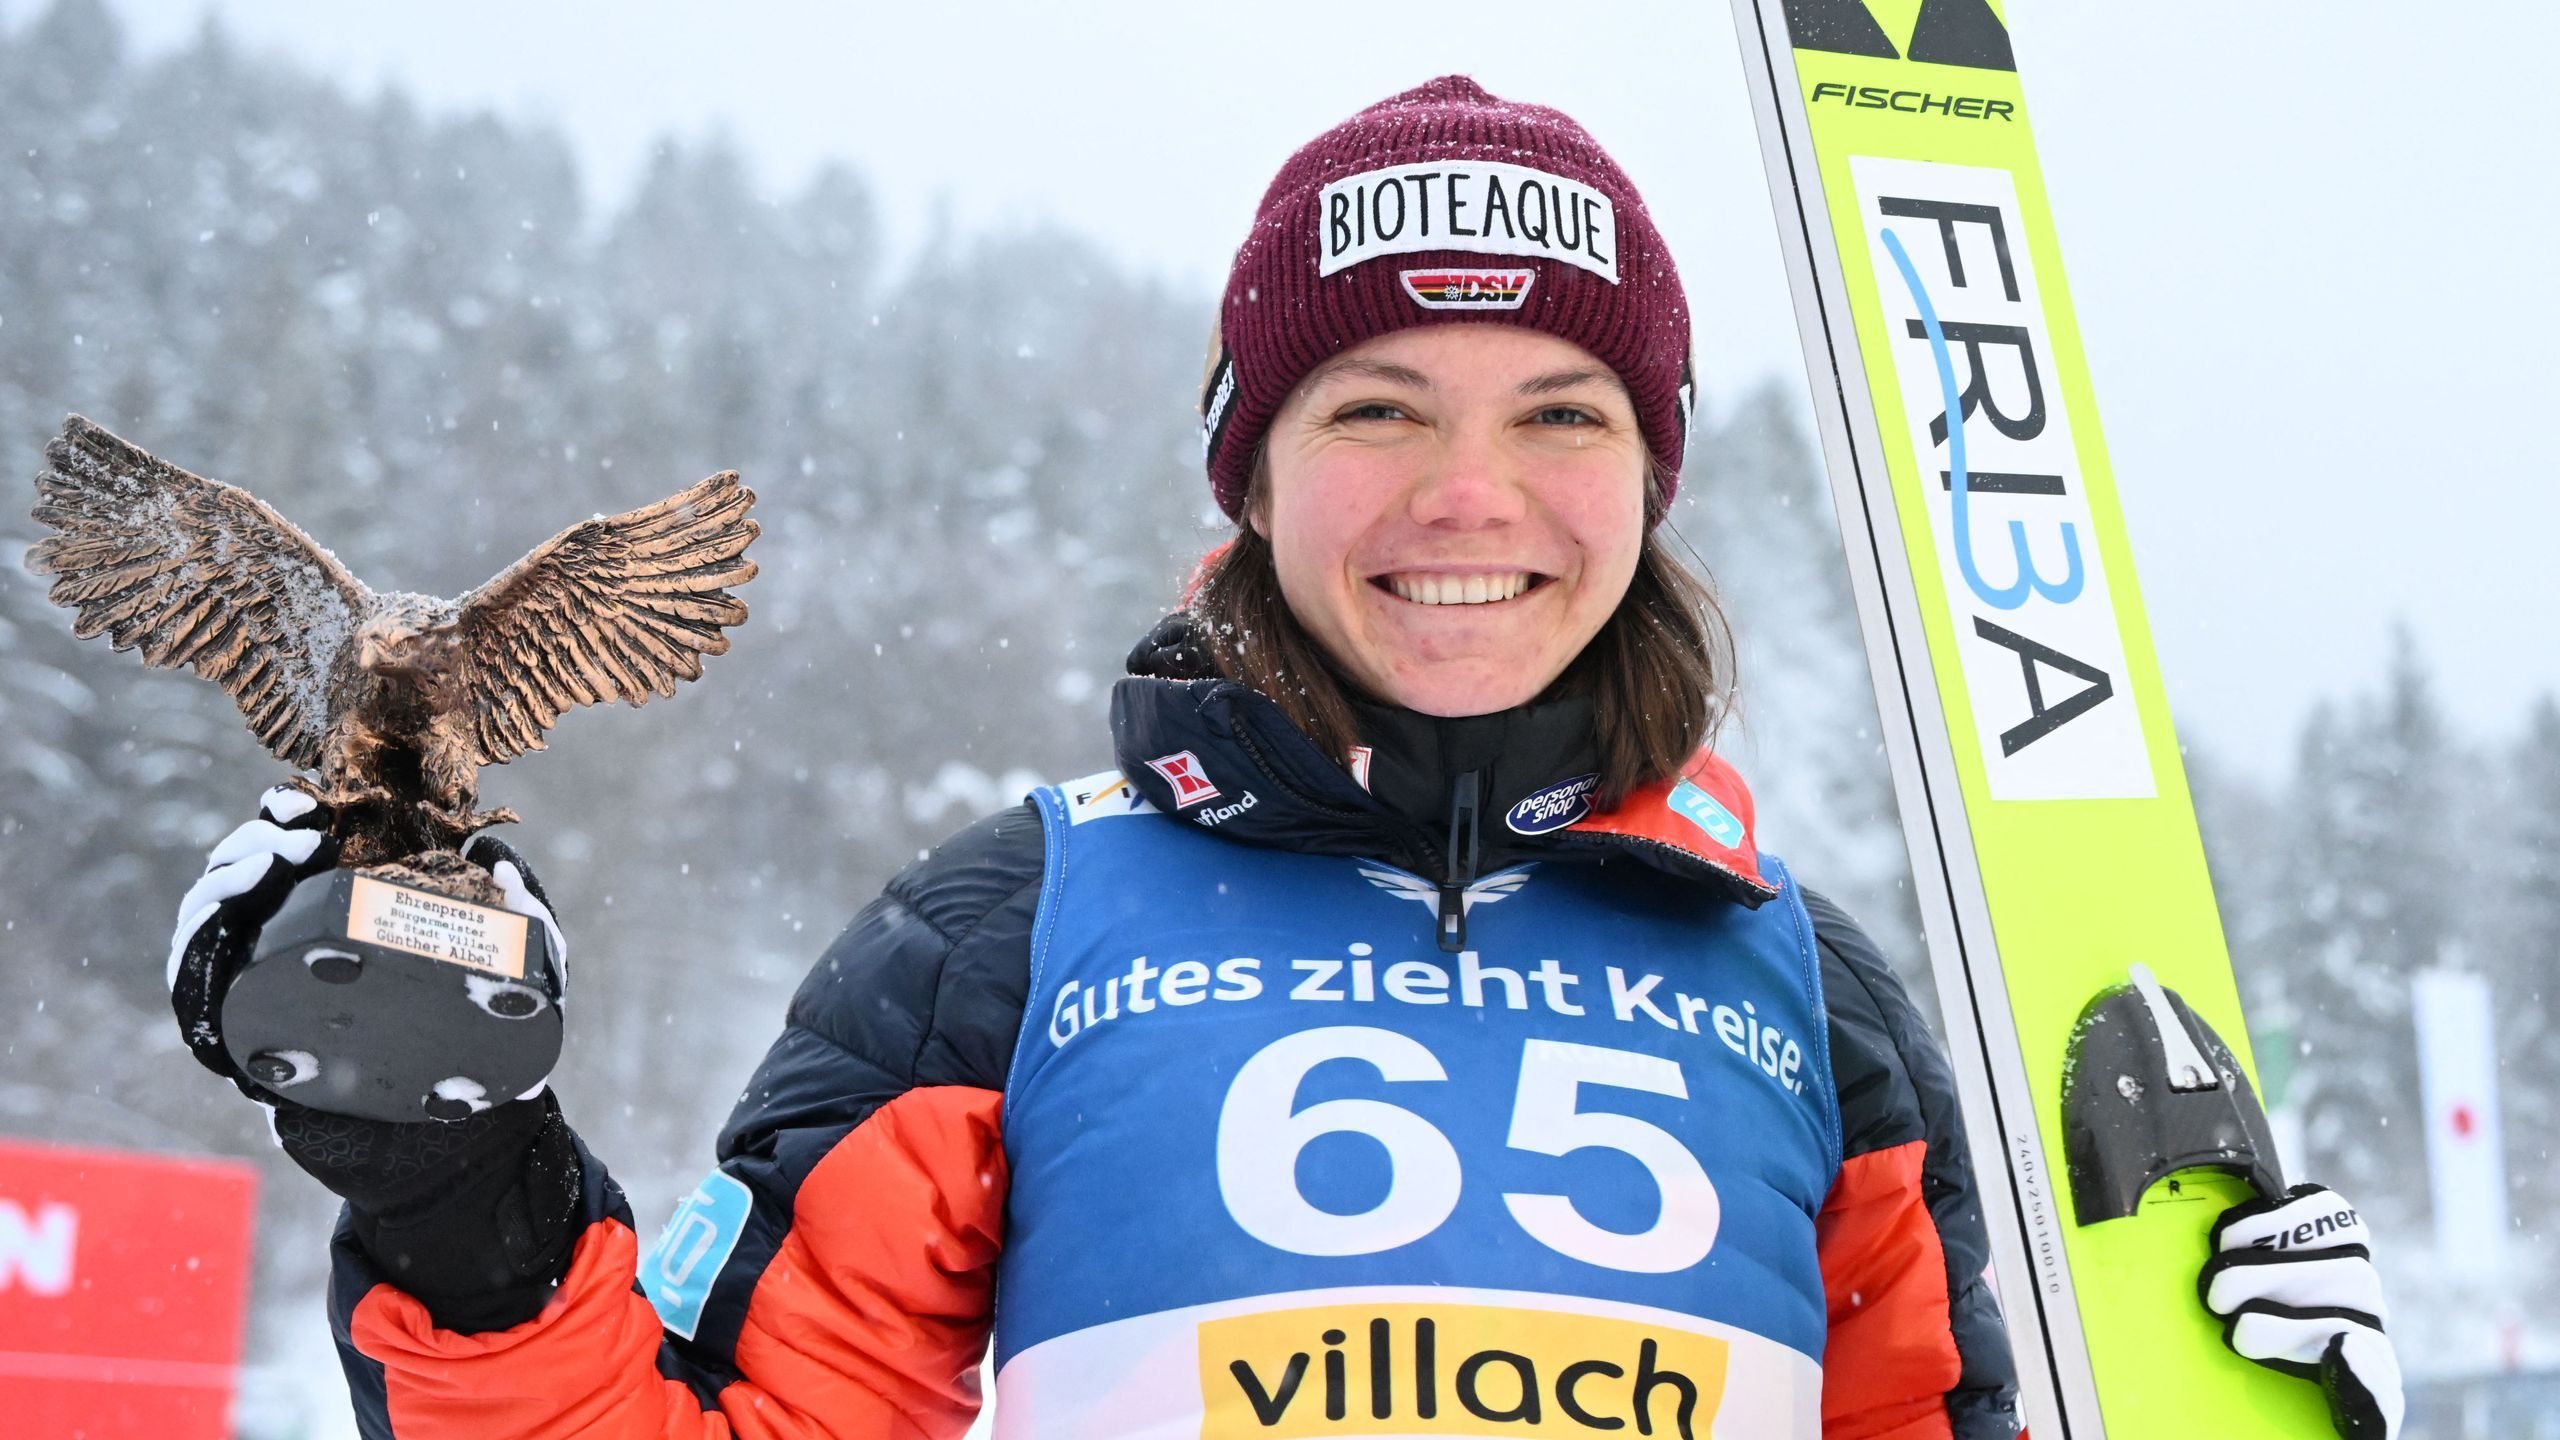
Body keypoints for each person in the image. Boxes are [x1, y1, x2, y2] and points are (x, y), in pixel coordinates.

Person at [168, 76, 2399, 1439]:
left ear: (1647, 480)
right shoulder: (1007, 932)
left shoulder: (1806, 1000)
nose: (1469, 496)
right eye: (1374, 414)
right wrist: (450, 1187)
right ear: (1251, 476)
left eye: (1558, 416)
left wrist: (2245, 1406)